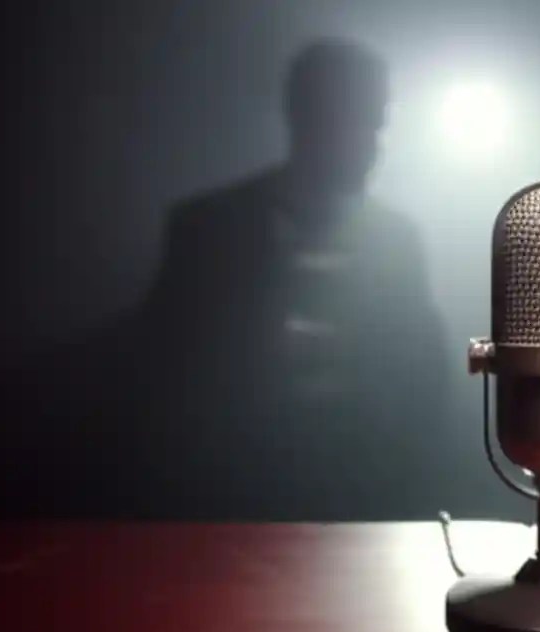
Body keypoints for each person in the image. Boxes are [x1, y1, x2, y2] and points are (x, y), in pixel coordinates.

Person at [116, 39, 451, 520]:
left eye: (377, 123)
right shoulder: (206, 229)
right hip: (225, 508)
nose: (373, 143)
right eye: (357, 120)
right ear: (306, 118)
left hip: (365, 505)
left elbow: (423, 380)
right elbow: (160, 377)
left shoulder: (398, 241)